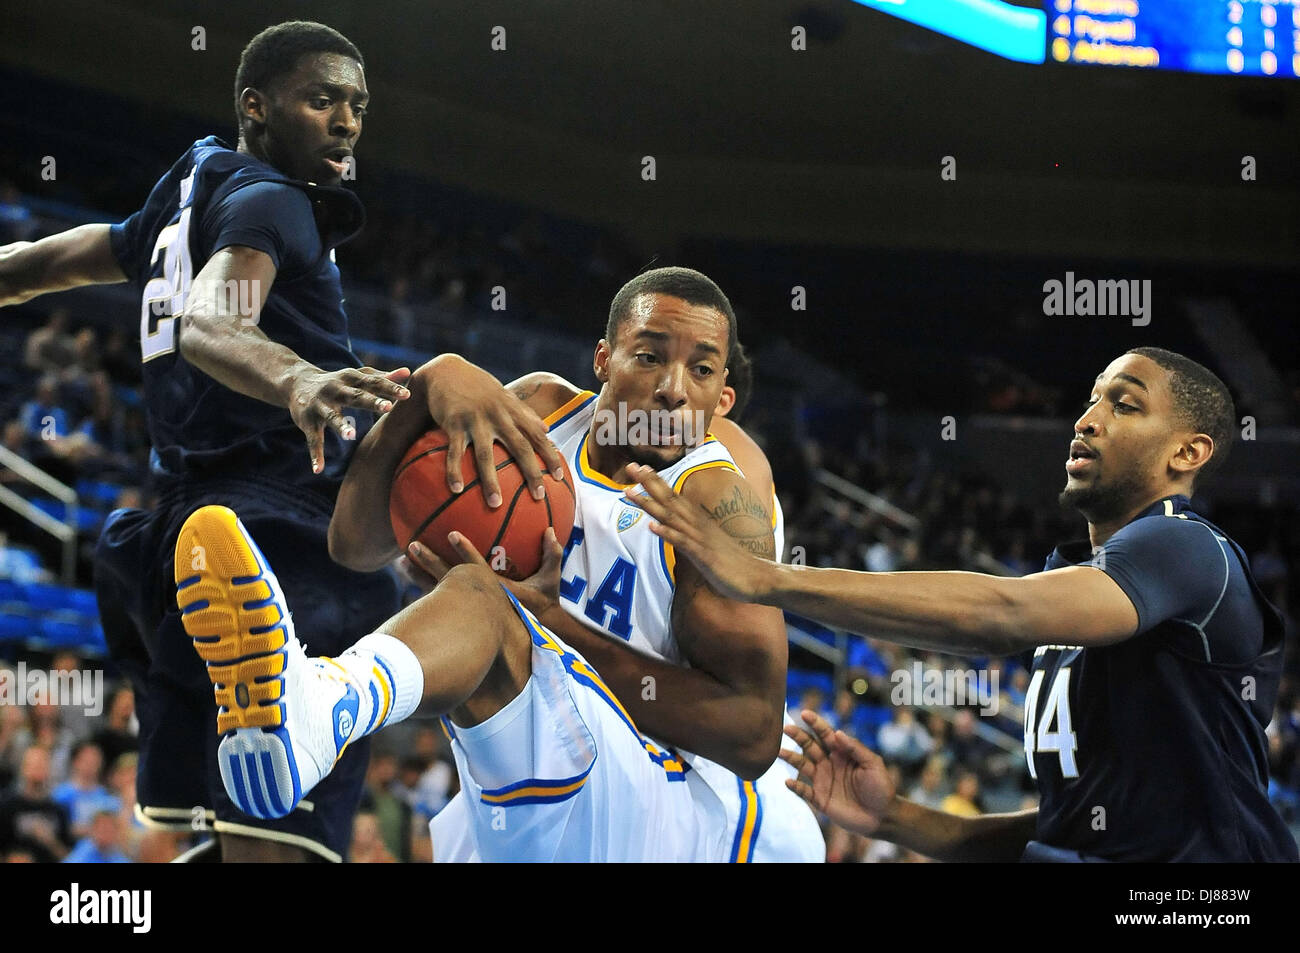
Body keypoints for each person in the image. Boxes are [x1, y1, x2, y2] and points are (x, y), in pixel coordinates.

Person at [0, 20, 561, 862]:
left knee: (225, 832)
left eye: (358, 106)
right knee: (282, 841)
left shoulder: (188, 185)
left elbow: (67, 256)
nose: (347, 123)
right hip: (284, 538)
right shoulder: (275, 201)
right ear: (257, 108)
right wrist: (297, 377)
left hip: (179, 537)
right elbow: (208, 322)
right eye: (323, 99)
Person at [177, 267, 821, 861]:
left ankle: (321, 708)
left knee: (487, 597)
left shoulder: (722, 499)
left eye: (702, 372)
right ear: (604, 360)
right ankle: (312, 717)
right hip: (535, 777)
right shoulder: (538, 414)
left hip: (667, 812)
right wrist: (431, 384)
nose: (674, 391)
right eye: (649, 357)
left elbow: (754, 734)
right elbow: (354, 545)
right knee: (483, 599)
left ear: (723, 400)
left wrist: (553, 625)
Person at [630, 347, 1298, 862]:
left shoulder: (1188, 548)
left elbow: (1001, 614)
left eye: (1124, 405)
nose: (1087, 419)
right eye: (1091, 400)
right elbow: (1069, 827)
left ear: (1189, 451)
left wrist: (764, 579)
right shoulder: (1078, 581)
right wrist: (898, 818)